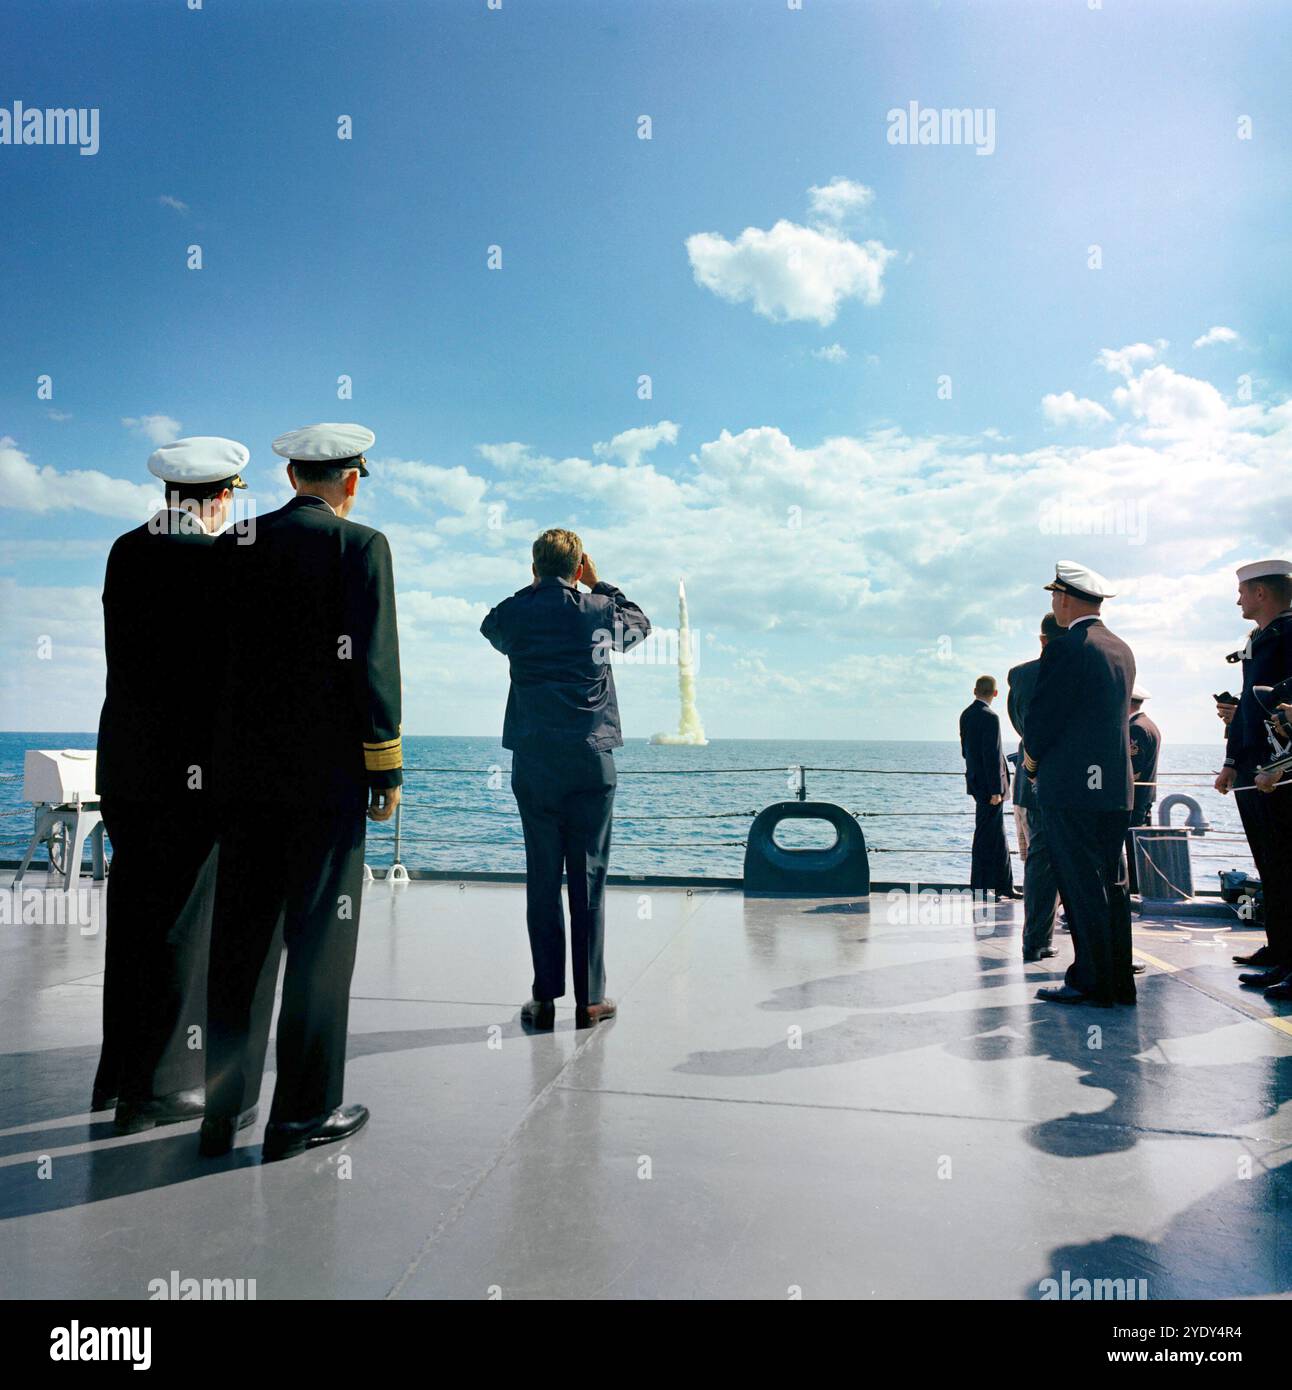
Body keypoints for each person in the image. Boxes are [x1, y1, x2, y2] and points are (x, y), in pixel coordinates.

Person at [200, 423, 402, 1161]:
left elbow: (210, 668)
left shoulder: (234, 547)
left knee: (239, 945)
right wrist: (385, 768)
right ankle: (301, 1115)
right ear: (351, 481)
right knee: (319, 945)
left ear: (290, 479)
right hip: (324, 784)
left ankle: (224, 1112)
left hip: (241, 781)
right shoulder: (361, 547)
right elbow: (373, 666)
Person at [92, 438, 268, 1133]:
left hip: (127, 767)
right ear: (222, 496)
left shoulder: (125, 549)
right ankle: (161, 1087)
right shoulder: (219, 561)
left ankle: (121, 1073)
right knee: (181, 924)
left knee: (134, 918)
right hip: (189, 773)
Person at [480, 529, 650, 1029]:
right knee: (589, 878)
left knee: (542, 877)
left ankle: (545, 996)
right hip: (591, 760)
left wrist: (536, 589)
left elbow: (491, 626)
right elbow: (639, 627)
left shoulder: (516, 613)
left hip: (535, 762)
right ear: (579, 568)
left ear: (534, 567)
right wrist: (602, 586)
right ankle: (591, 998)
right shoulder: (597, 611)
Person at [1024, 561, 1136, 1007]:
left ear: (1065, 598)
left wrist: (1031, 764)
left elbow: (1044, 719)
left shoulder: (1067, 648)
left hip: (1072, 789)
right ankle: (1117, 982)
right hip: (1114, 791)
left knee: (1080, 886)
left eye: (1055, 596)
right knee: (1112, 886)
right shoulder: (1121, 648)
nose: (1054, 603)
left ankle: (1089, 980)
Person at [1214, 559, 1292, 997]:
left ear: (1261, 593)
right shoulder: (1261, 639)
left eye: (1243, 591)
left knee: (1287, 865)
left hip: (1281, 771)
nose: (1239, 599)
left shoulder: (1288, 634)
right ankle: (1280, 951)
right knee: (1272, 865)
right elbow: (1252, 706)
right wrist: (1231, 760)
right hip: (1256, 768)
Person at [1007, 614, 1063, 960]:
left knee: (1039, 864)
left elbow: (1023, 727)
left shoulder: (1022, 676)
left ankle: (1036, 940)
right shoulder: (1079, 673)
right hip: (1069, 782)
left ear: (1042, 639)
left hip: (1031, 781)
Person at [958, 676, 1017, 902]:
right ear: (995, 694)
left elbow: (967, 751)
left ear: (975, 691)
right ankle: (981, 888)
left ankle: (1004, 885)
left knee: (997, 834)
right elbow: (992, 755)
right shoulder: (990, 717)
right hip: (990, 788)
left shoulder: (966, 714)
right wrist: (996, 789)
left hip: (976, 783)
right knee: (986, 835)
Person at [1125, 686, 1161, 895]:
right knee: (1137, 849)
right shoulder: (1148, 725)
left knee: (1132, 850)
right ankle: (1138, 890)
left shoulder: (1135, 729)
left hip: (1132, 799)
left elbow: (1133, 769)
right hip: (1142, 797)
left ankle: (1133, 893)